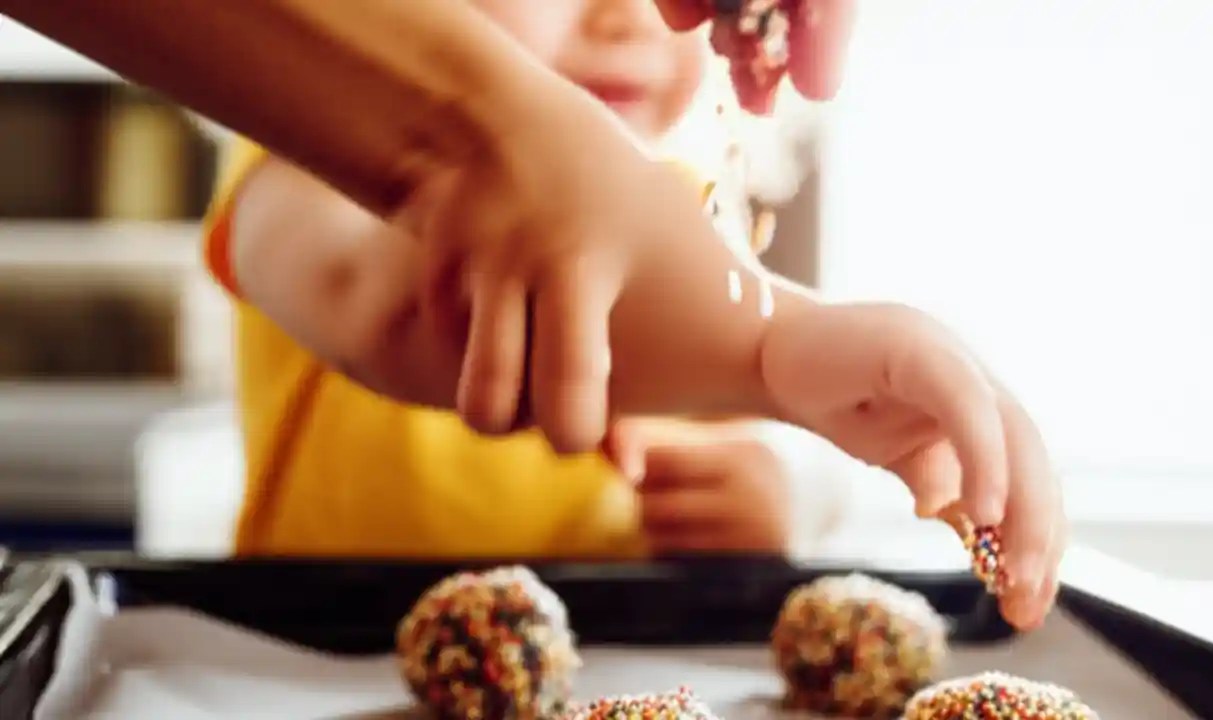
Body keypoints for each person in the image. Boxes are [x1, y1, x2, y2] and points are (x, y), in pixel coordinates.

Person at [0, 0, 855, 453]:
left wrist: (768, 492)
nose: (626, 15)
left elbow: (721, 428)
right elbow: (381, 303)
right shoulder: (303, 167)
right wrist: (779, 354)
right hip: (333, 650)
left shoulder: (700, 214)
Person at [202, 0, 862, 564]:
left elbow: (793, 425)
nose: (625, 18)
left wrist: (786, 485)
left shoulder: (691, 213)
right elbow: (353, 290)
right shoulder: (312, 155)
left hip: (613, 670)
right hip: (315, 641)